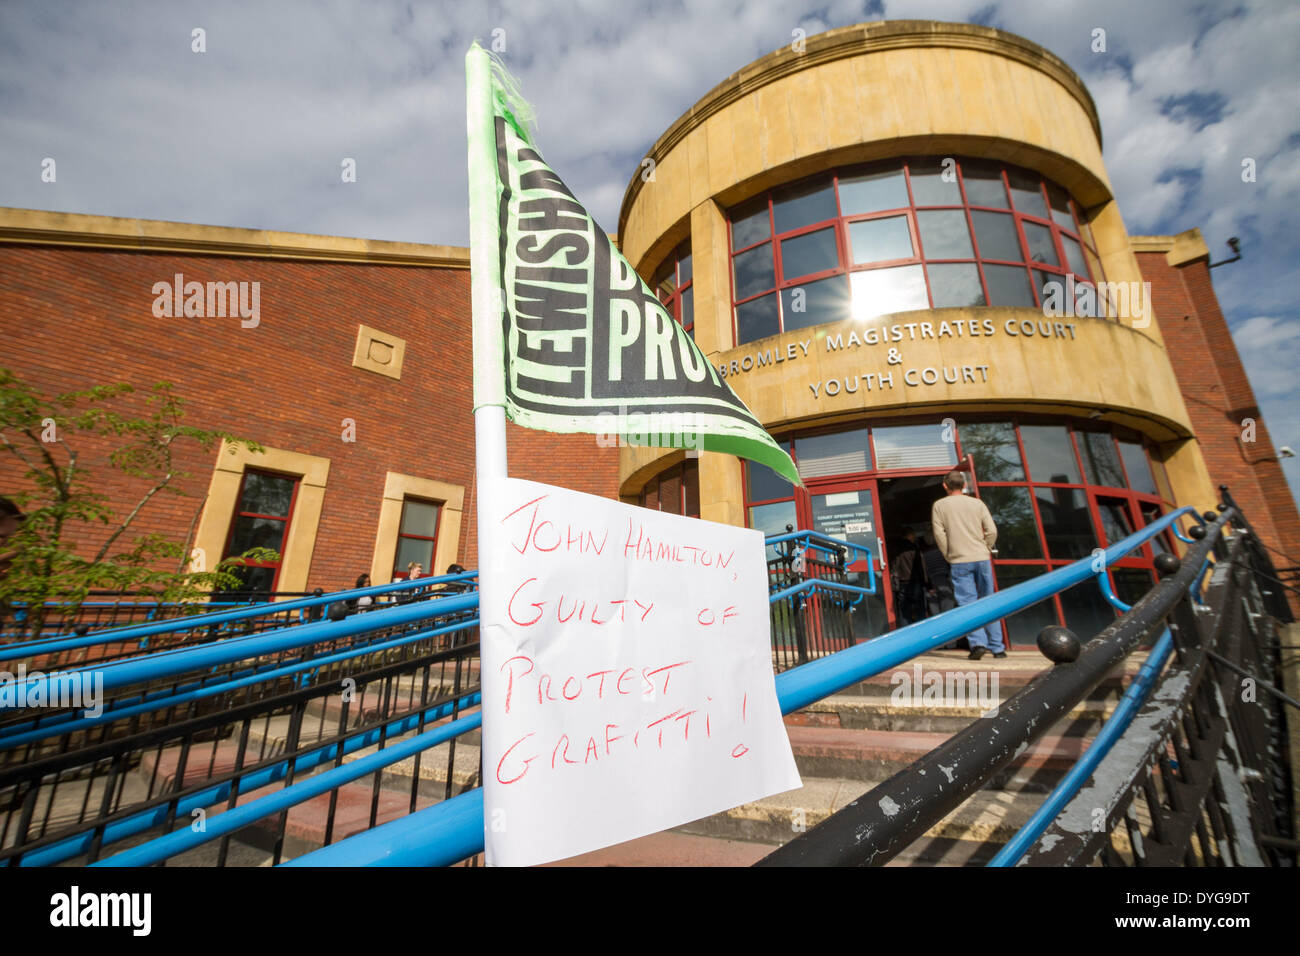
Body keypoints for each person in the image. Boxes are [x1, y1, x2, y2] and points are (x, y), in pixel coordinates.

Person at [931, 470, 1005, 660]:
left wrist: (949, 554)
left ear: (945, 486)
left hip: (959, 559)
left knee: (967, 604)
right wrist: (985, 547)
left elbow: (940, 535)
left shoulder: (939, 505)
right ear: (964, 485)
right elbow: (992, 530)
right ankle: (998, 648)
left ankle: (978, 644)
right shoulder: (977, 503)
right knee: (989, 601)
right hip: (981, 557)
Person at [890, 529, 925, 627]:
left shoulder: (897, 550)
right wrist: (925, 583)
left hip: (902, 582)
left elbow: (894, 567)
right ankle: (921, 629)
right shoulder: (913, 549)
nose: (914, 537)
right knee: (919, 608)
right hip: (914, 581)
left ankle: (907, 631)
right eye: (913, 535)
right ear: (909, 535)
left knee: (904, 610)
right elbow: (920, 567)